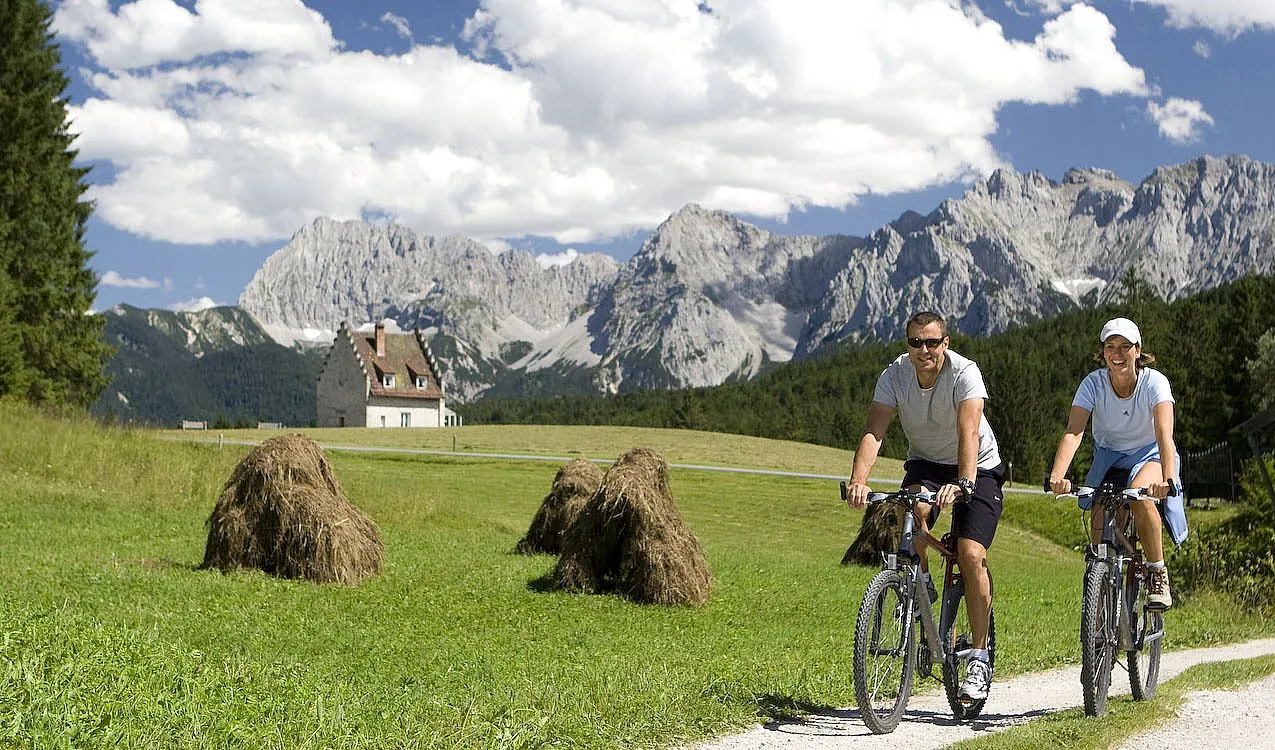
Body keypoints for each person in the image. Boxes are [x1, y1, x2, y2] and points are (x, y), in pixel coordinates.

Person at [844, 311, 1006, 703]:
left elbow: (969, 430)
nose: (924, 350)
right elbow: (874, 431)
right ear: (908, 345)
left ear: (945, 344)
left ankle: (979, 658)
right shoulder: (894, 375)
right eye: (916, 342)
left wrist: (964, 482)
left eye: (932, 342)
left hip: (979, 465)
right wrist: (858, 480)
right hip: (927, 465)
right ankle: (922, 585)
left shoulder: (965, 372)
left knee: (970, 554)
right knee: (911, 512)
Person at [1047, 317, 1180, 610]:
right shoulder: (1093, 384)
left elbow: (1164, 435)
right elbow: (1074, 432)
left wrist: (1167, 480)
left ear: (1138, 351)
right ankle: (1100, 601)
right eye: (1110, 346)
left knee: (1139, 496)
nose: (1117, 354)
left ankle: (1157, 572)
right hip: (1109, 457)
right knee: (1099, 528)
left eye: (1124, 346)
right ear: (1103, 351)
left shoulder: (1155, 383)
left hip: (1150, 454)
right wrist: (1057, 476)